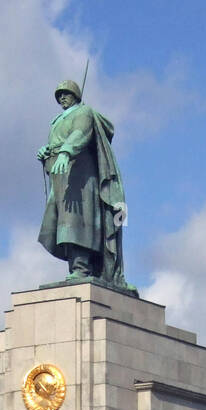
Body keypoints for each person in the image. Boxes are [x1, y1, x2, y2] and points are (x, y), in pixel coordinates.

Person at [36, 80, 131, 288]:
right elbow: (56, 143)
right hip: (60, 178)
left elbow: (80, 134)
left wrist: (66, 151)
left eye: (66, 93)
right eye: (59, 94)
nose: (62, 97)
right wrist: (46, 152)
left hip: (79, 176)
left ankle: (82, 267)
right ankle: (76, 266)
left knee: (76, 220)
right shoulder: (56, 121)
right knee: (60, 222)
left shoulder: (83, 112)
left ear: (76, 94)